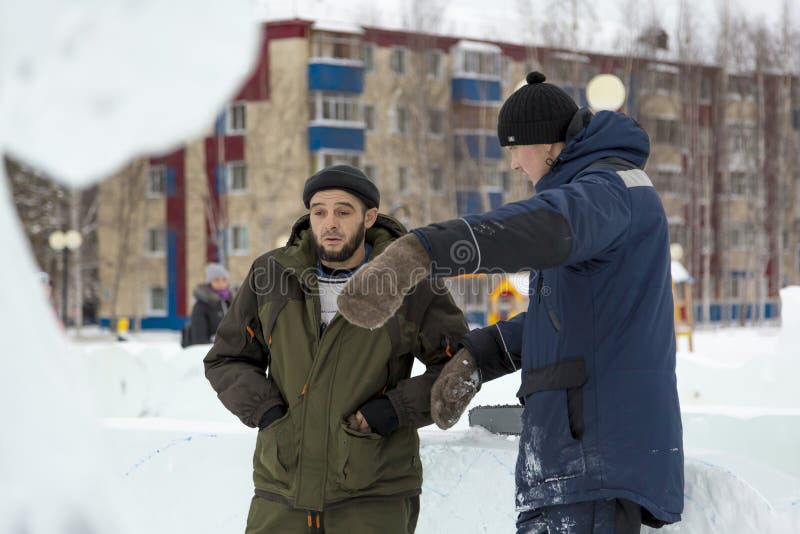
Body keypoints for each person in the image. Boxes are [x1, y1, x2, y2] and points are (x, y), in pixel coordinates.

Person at [337, 72, 684, 533]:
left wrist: (420, 252)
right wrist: (483, 354)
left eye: (515, 150)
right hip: (573, 463)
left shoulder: (606, 191)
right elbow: (576, 318)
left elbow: (540, 226)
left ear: (546, 144)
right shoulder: (602, 190)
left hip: (593, 466)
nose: (516, 166)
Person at [203, 165, 468, 533]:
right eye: (319, 211)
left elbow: (460, 365)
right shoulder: (271, 275)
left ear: (369, 217)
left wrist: (394, 409)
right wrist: (266, 410)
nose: (330, 223)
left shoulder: (409, 281)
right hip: (281, 494)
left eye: (343, 212)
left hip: (374, 496)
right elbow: (227, 358)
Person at [185, 263, 234, 346]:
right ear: (209, 282)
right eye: (216, 280)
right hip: (209, 352)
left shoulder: (230, 302)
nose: (221, 284)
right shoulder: (201, 305)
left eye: (224, 280)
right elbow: (199, 338)